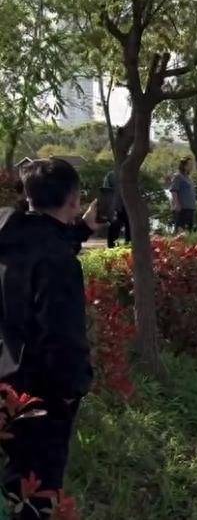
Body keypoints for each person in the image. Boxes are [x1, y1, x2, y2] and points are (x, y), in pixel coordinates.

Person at [0, 159, 100, 517]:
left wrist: (81, 231)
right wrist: (75, 388)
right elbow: (62, 335)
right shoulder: (59, 262)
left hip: (7, 380)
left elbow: (41, 248)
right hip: (41, 393)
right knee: (37, 490)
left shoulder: (10, 239)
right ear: (73, 200)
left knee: (16, 480)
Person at [169, 157, 197, 232]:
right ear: (184, 165)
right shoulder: (178, 176)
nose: (192, 166)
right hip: (182, 209)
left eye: (192, 164)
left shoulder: (188, 178)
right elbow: (173, 191)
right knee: (181, 232)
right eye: (190, 164)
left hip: (190, 209)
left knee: (189, 232)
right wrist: (177, 204)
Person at [103, 169, 130, 248]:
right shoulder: (111, 175)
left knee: (127, 226)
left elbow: (106, 191)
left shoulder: (111, 174)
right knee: (116, 226)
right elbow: (106, 191)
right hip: (118, 205)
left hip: (123, 205)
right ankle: (114, 247)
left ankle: (123, 246)